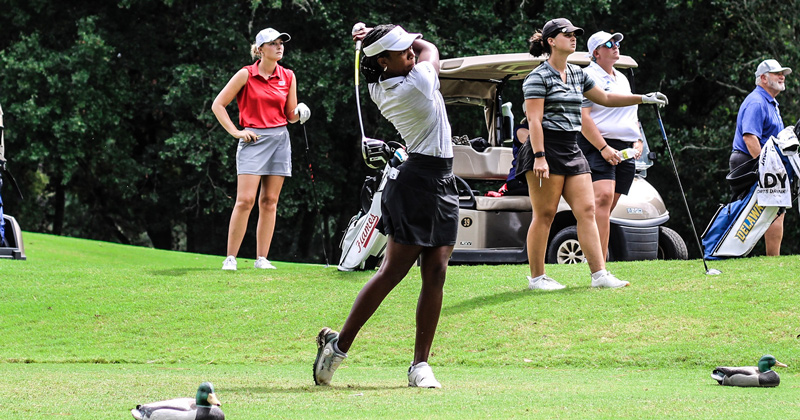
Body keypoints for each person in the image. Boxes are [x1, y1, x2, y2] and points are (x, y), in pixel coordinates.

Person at [314, 24, 457, 388]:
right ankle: (338, 347)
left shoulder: (383, 83)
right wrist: (409, 37)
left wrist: (376, 37)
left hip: (441, 179)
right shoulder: (414, 83)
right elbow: (431, 49)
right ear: (383, 61)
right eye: (401, 49)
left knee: (437, 271)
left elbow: (412, 52)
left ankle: (420, 365)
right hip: (416, 182)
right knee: (392, 271)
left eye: (408, 46)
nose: (410, 51)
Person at [518, 18, 667, 290]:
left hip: (571, 148)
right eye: (567, 34)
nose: (573, 38)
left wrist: (643, 98)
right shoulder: (537, 77)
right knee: (546, 214)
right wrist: (539, 156)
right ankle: (537, 278)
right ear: (551, 41)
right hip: (546, 148)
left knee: (587, 210)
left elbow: (606, 98)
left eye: (575, 34)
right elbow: (534, 120)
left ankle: (599, 274)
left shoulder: (577, 74)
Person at [212, 28, 311, 271]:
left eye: (281, 43)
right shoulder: (246, 74)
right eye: (273, 43)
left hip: (280, 140)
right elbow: (218, 105)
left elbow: (289, 116)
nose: (279, 47)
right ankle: (231, 257)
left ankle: (262, 259)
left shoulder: (288, 76)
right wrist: (236, 132)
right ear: (260, 50)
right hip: (253, 139)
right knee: (245, 200)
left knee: (269, 201)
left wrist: (300, 112)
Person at [579, 31, 644, 260]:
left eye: (616, 42)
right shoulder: (588, 75)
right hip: (597, 144)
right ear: (596, 53)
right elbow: (583, 117)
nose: (615, 46)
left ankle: (599, 262)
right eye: (609, 44)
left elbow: (631, 115)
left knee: (606, 207)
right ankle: (598, 264)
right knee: (602, 199)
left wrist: (638, 140)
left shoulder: (622, 78)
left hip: (625, 147)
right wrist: (603, 148)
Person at [730, 59, 792, 256]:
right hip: (750, 160)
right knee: (761, 210)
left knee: (776, 210)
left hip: (758, 162)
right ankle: (733, 252)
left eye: (783, 74)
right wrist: (766, 167)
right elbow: (750, 138)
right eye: (777, 73)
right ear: (763, 78)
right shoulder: (757, 102)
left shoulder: (770, 103)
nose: (782, 77)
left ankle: (772, 259)